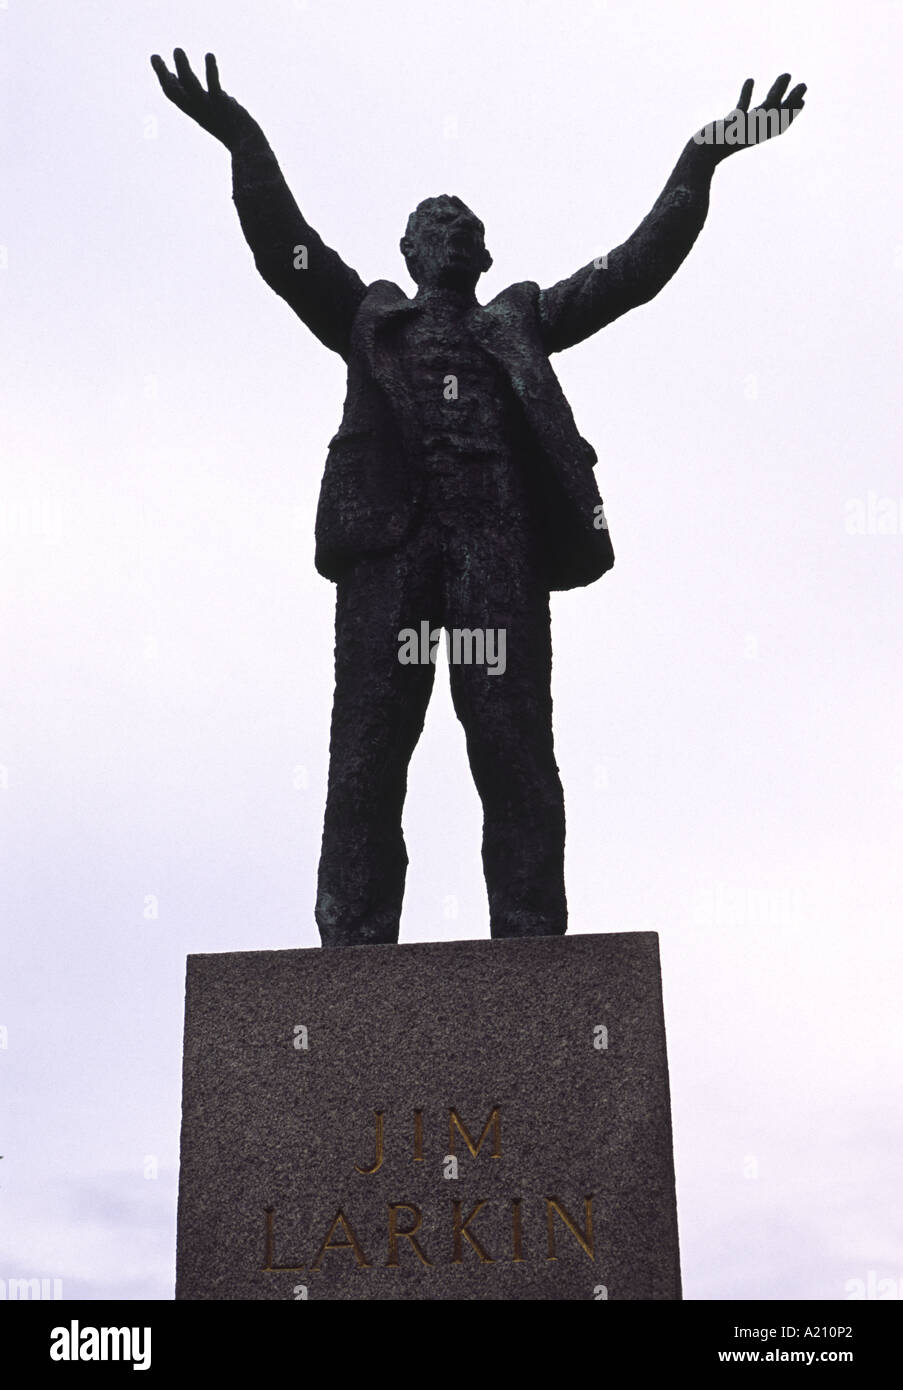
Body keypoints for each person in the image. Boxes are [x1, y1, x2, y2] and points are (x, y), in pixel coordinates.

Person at [152, 51, 805, 945]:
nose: (449, 232)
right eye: (433, 225)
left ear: (484, 254)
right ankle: (352, 947)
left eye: (464, 226)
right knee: (367, 759)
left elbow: (632, 270)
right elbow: (283, 245)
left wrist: (704, 154)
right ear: (409, 252)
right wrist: (241, 137)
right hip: (392, 552)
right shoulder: (368, 317)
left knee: (512, 750)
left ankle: (532, 944)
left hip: (495, 550)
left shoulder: (521, 319)